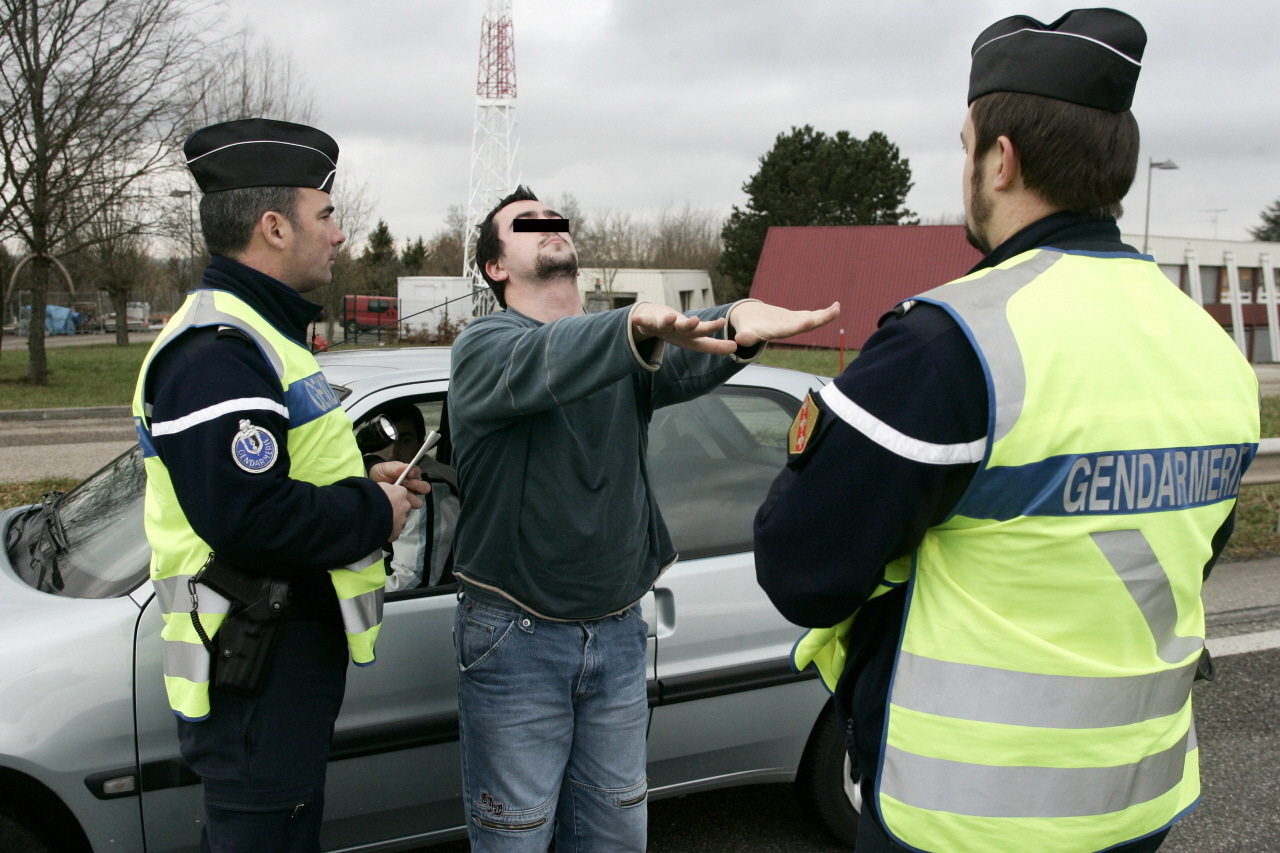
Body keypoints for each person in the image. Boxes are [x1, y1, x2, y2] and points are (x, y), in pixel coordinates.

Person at [754, 10, 1260, 853]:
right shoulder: (1212, 347)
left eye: (965, 147)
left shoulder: (949, 342)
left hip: (968, 817)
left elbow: (802, 569)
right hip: (1140, 800)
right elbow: (1185, 546)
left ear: (1001, 158)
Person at [446, 185, 839, 851]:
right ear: (495, 268)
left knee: (616, 832)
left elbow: (679, 350)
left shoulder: (622, 347)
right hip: (515, 638)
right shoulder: (485, 347)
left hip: (620, 633)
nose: (549, 228)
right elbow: (547, 359)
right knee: (514, 837)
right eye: (526, 225)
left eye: (554, 220)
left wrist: (739, 317)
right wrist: (629, 326)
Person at [131, 118, 425, 853]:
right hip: (254, 669)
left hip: (272, 660)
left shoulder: (261, 334)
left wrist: (360, 476)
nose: (341, 235)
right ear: (273, 227)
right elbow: (252, 518)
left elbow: (276, 474)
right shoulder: (218, 351)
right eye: (325, 215)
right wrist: (373, 510)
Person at [366, 401, 461, 591]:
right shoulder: (383, 479)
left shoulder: (427, 489)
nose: (392, 452)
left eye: (405, 441)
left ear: (421, 444)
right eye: (385, 441)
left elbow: (413, 582)